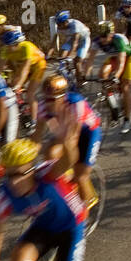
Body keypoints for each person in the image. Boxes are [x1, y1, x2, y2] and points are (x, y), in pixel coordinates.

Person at [36, 75, 102, 209]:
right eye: (45, 98)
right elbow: (36, 137)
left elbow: (73, 139)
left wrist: (67, 164)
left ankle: (84, 212)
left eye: (51, 100)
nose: (47, 103)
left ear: (62, 97)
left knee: (81, 176)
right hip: (64, 133)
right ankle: (64, 184)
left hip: (89, 133)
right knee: (49, 152)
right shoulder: (43, 106)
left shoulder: (76, 103)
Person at [0, 26, 48, 122]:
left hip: (38, 66)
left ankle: (34, 121)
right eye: (6, 45)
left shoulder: (26, 47)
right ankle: (20, 104)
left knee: (30, 93)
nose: (7, 48)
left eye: (10, 46)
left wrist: (18, 85)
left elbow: (25, 69)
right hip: (21, 65)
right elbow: (1, 68)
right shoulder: (6, 49)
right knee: (12, 84)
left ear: (17, 44)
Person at [93, 20, 131, 134]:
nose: (102, 39)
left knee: (125, 86)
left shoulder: (119, 40)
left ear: (111, 34)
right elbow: (89, 59)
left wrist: (116, 76)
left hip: (128, 58)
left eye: (105, 36)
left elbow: (121, 63)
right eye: (100, 36)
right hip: (113, 57)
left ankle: (127, 119)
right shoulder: (97, 41)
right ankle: (113, 105)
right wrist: (83, 74)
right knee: (102, 75)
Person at [47, 10, 94, 79]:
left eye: (60, 24)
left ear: (65, 22)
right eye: (57, 24)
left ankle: (79, 82)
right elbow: (53, 43)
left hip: (83, 40)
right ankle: (66, 75)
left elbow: (75, 43)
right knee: (62, 55)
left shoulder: (75, 25)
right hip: (71, 39)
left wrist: (69, 56)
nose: (59, 26)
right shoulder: (58, 28)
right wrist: (48, 56)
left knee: (77, 62)